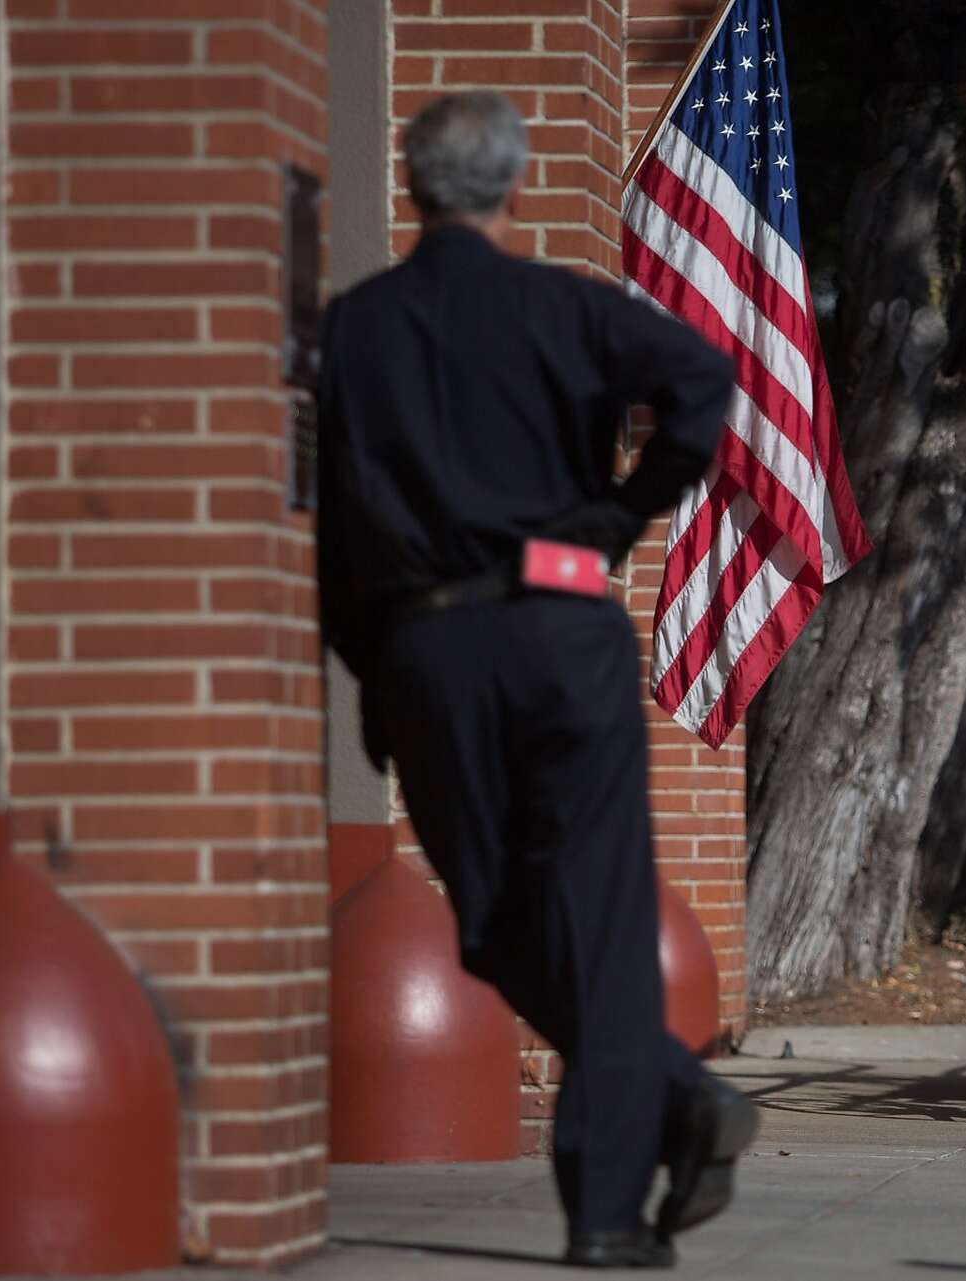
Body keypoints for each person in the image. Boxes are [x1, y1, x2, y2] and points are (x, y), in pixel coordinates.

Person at [315, 90, 753, 1269]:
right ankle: (645, 1148)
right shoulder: (569, 308)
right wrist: (619, 513)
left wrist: (368, 673)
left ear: (412, 188)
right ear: (513, 188)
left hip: (431, 648)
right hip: (560, 634)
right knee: (580, 927)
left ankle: (624, 1175)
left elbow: (338, 528)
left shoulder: (351, 330)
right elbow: (705, 386)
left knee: (498, 921)